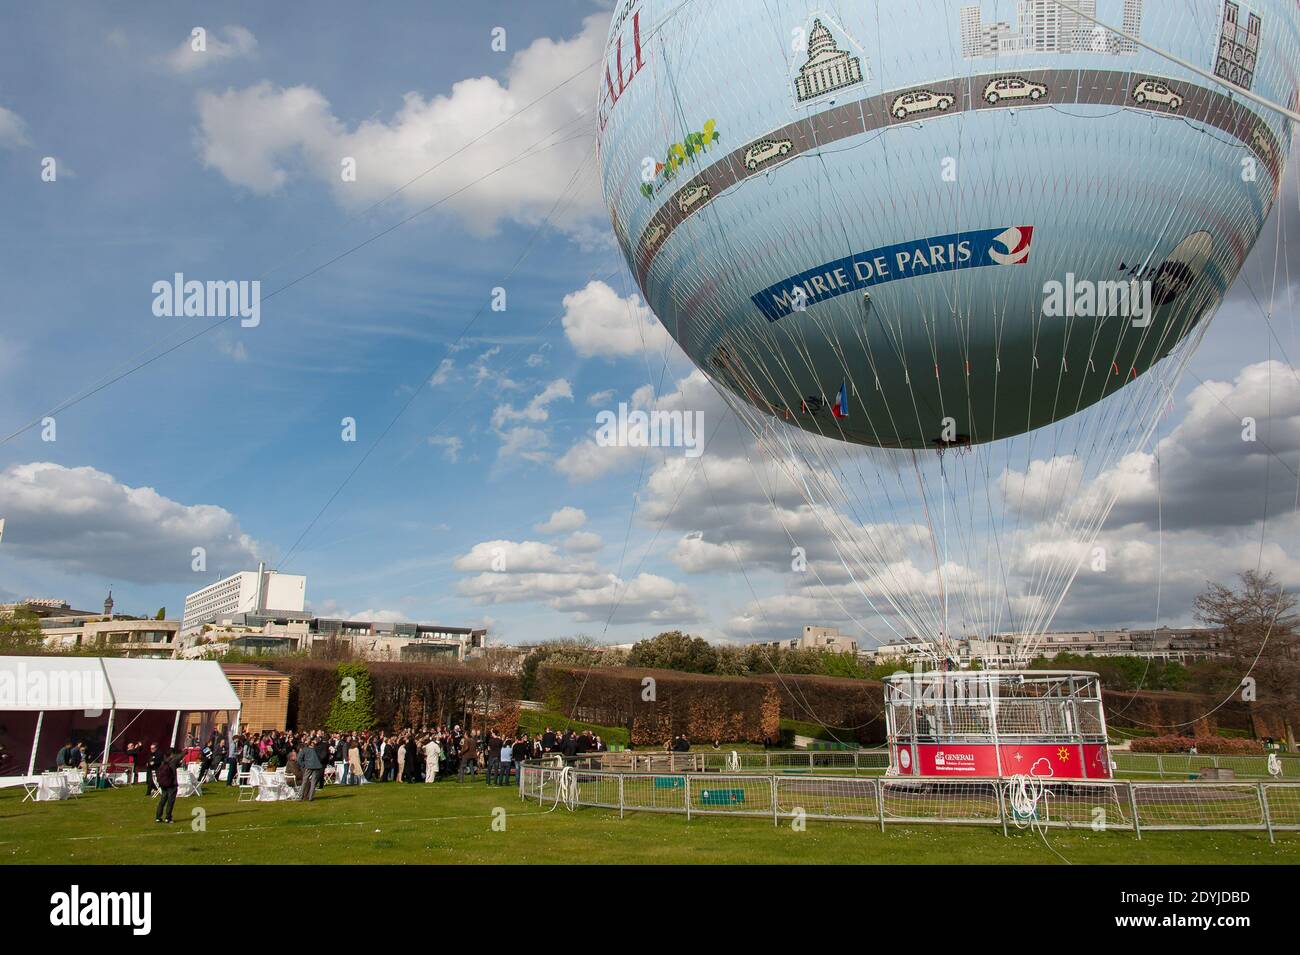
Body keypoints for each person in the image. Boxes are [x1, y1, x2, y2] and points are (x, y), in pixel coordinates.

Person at [154, 750, 179, 824]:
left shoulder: (162, 763)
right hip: (171, 784)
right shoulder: (172, 762)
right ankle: (168, 817)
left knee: (162, 800)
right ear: (171, 755)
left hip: (163, 784)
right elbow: (180, 757)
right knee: (170, 801)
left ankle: (158, 817)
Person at [298, 736, 323, 801]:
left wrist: (303, 765)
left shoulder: (305, 749)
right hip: (315, 767)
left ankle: (301, 796)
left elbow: (299, 759)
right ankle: (310, 797)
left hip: (309, 767)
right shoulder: (315, 750)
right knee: (313, 782)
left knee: (305, 781)